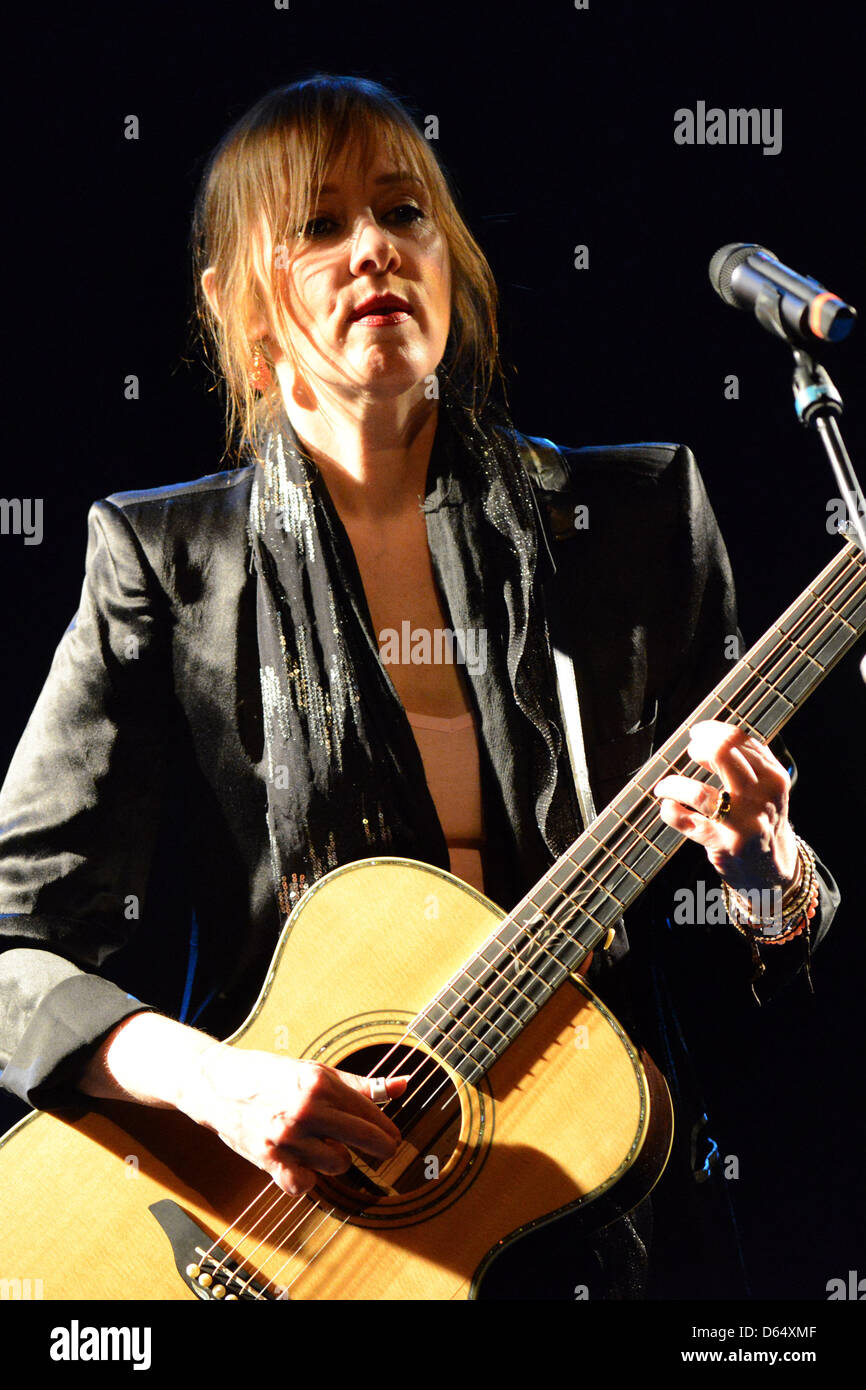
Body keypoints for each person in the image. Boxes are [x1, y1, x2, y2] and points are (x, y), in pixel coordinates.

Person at [0, 73, 839, 1299]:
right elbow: (16, 947)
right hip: (271, 1236)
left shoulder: (634, 520)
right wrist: (224, 1084)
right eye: (319, 224)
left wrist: (766, 881)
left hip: (595, 1225)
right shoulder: (166, 565)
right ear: (233, 304)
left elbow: (733, 993)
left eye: (404, 212)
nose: (375, 250)